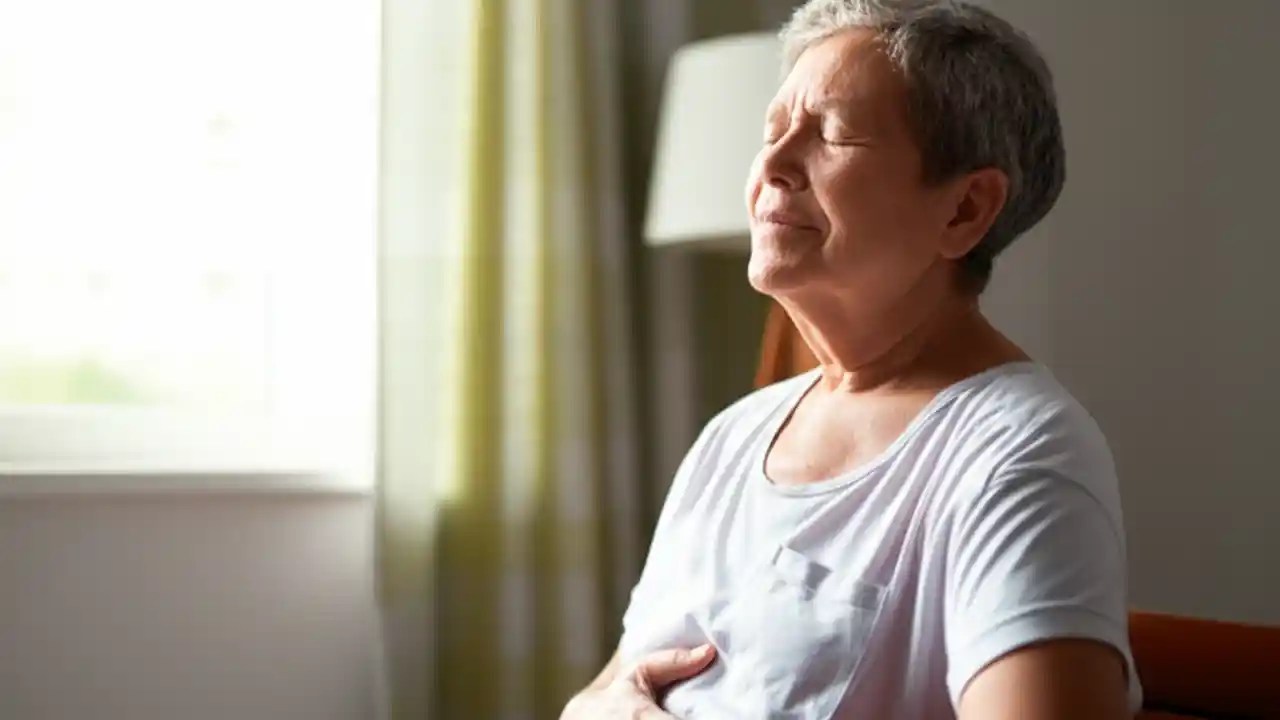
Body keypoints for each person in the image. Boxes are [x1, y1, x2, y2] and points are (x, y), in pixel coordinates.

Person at [562, 0, 1141, 717]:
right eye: (772, 133)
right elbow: (605, 692)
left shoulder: (1021, 454)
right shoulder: (733, 437)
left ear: (964, 210)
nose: (771, 166)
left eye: (830, 136)